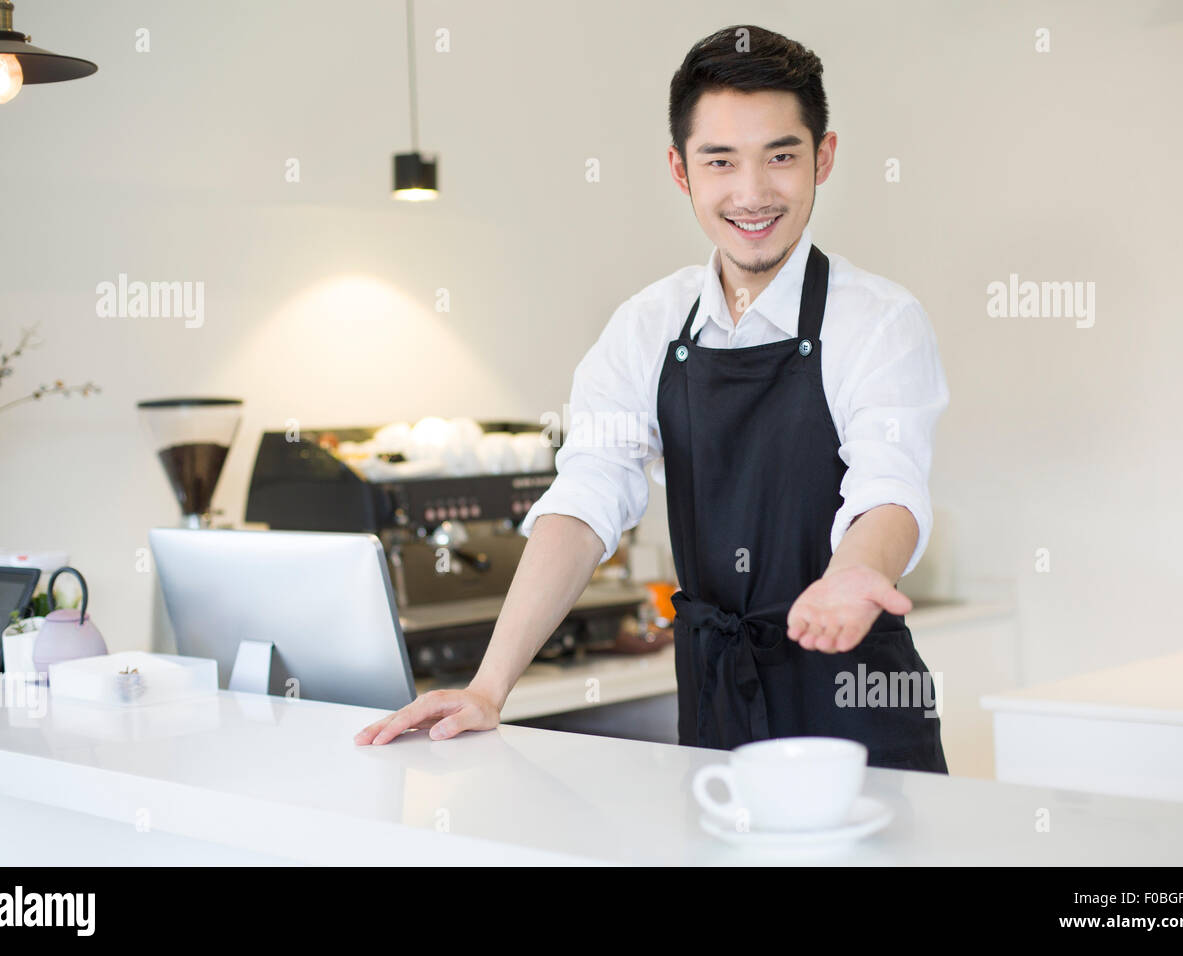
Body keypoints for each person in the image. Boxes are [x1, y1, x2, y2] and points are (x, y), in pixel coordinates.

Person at [356, 24, 949, 772]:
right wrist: (487, 684)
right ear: (681, 170)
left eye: (782, 157)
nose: (753, 192)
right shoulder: (646, 326)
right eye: (721, 161)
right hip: (714, 700)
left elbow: (888, 485)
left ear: (823, 157)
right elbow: (587, 497)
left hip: (858, 696)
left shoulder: (878, 321)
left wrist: (855, 572)